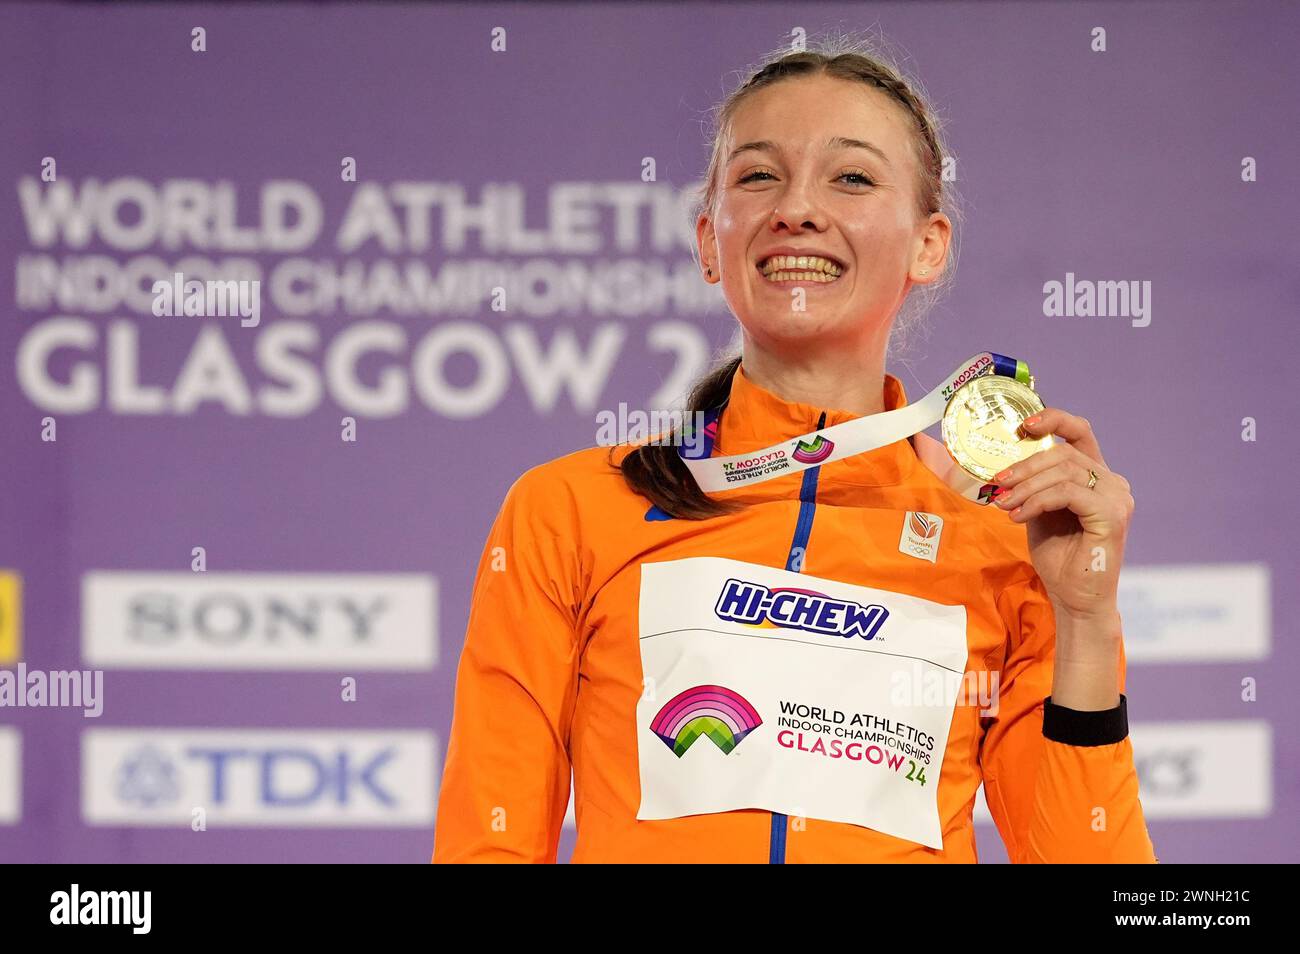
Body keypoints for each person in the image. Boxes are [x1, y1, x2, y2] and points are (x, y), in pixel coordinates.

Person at [431, 40, 1157, 863]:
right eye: (758, 176)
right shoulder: (570, 510)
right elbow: (488, 843)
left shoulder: (1003, 536)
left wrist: (1086, 620)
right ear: (711, 242)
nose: (796, 209)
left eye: (851, 177)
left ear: (929, 244)